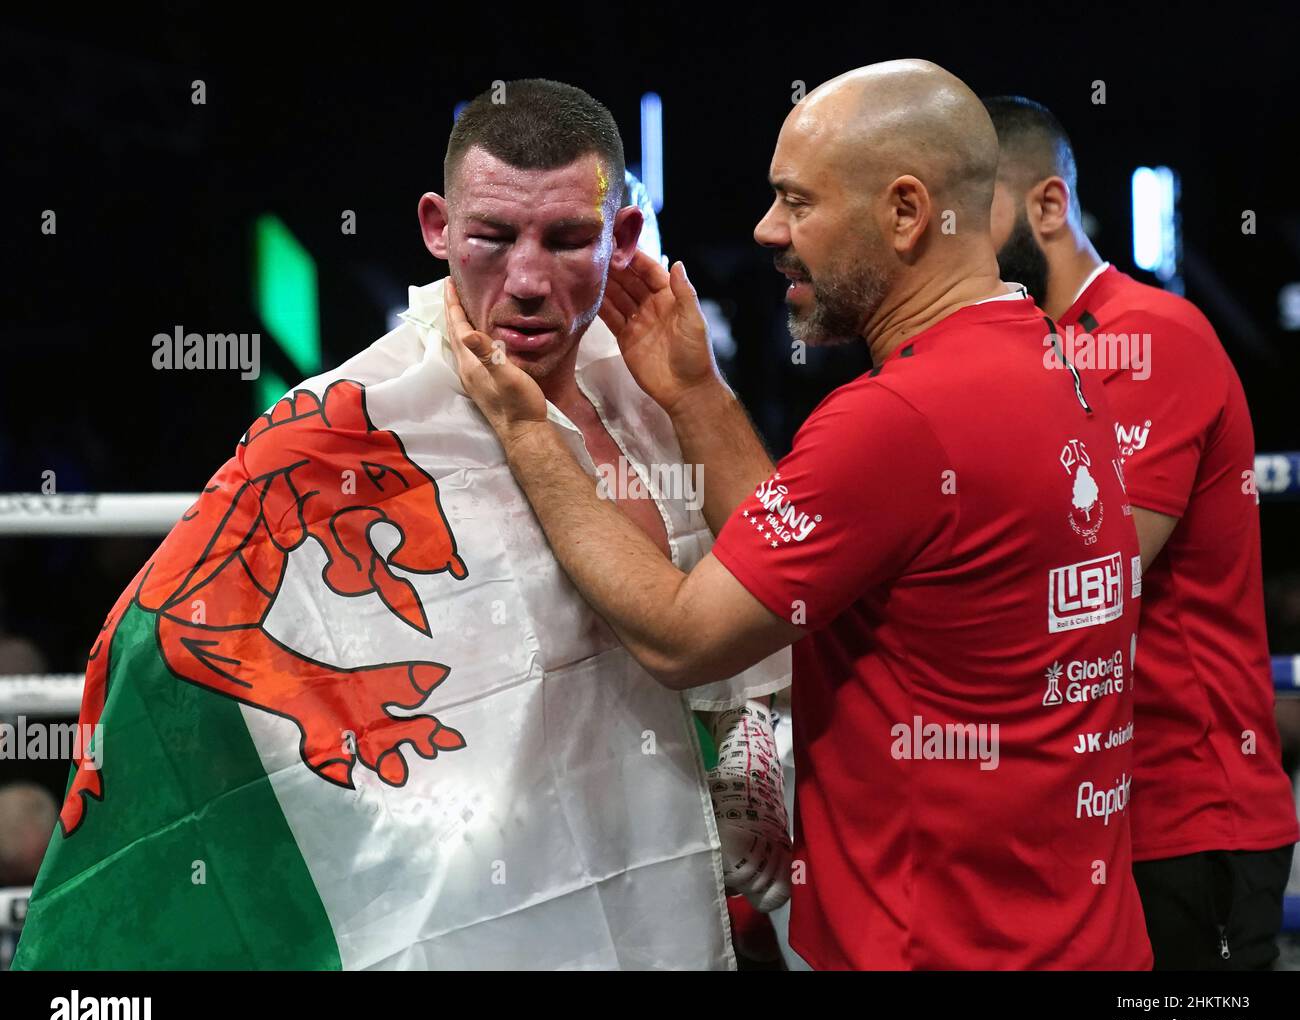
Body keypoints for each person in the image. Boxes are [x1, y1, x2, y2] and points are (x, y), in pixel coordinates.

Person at [15, 79, 789, 972]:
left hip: (666, 892)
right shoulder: (346, 420)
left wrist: (749, 725)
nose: (529, 281)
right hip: (458, 915)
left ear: (621, 237)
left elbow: (777, 570)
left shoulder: (659, 376)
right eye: (492, 238)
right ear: (436, 227)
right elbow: (164, 635)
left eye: (569, 239)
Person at [447, 59, 1151, 970]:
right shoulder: (1045, 359)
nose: (767, 229)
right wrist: (694, 395)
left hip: (935, 950)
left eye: (797, 200)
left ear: (905, 214)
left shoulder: (899, 420)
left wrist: (528, 430)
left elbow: (683, 637)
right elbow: (801, 565)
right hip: (1077, 939)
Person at [986, 95, 1300, 969]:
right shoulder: (1007, 356)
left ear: (1049, 205)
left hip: (1187, 814)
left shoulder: (1152, 337)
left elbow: (1089, 572)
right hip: (1071, 814)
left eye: (973, 215)